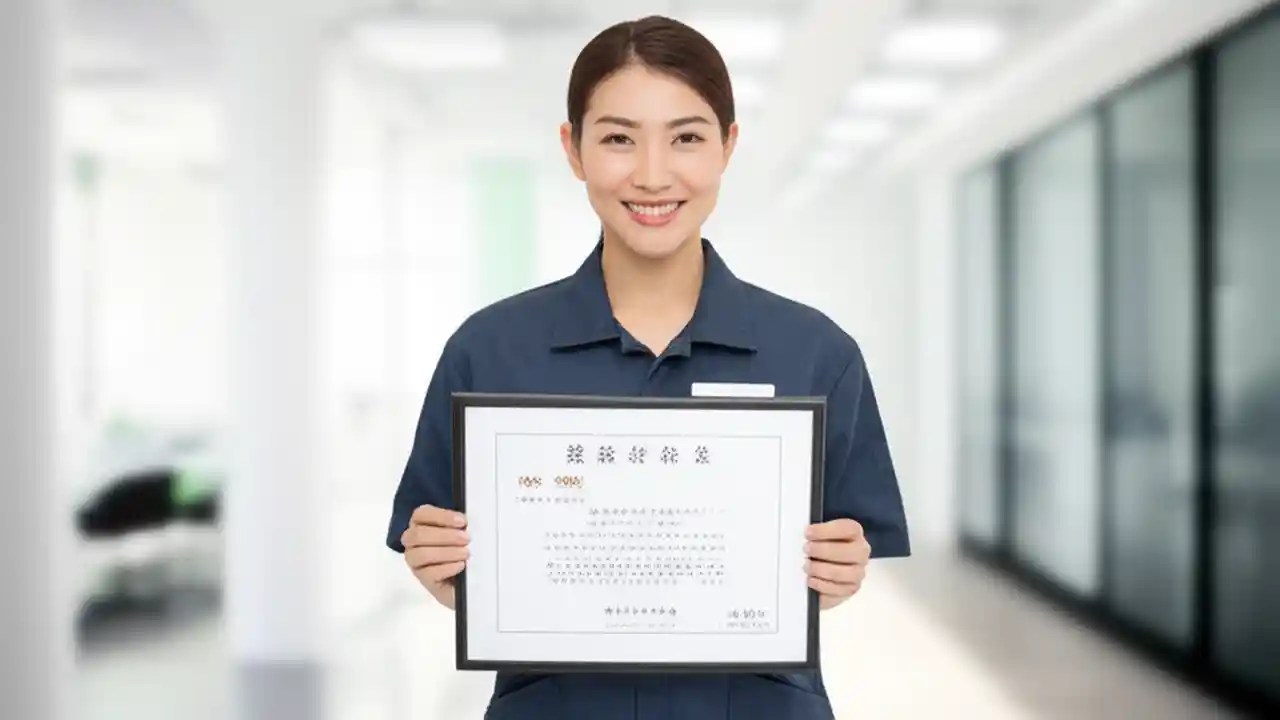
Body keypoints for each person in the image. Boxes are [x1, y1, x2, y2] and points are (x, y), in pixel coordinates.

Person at [385, 14, 910, 720]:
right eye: (618, 139)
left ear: (727, 146)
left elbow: (850, 541)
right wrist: (442, 566)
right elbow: (443, 549)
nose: (653, 175)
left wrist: (842, 566)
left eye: (687, 137)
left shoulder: (817, 353)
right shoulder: (488, 349)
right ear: (573, 149)